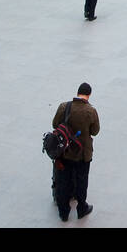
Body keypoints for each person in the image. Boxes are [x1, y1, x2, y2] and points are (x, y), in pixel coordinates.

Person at [51, 82, 99, 221]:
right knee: (81, 180)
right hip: (82, 153)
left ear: (77, 93)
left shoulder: (64, 107)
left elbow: (55, 124)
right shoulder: (91, 111)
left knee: (63, 180)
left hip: (65, 151)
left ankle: (63, 212)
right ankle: (81, 208)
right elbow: (95, 131)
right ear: (88, 95)